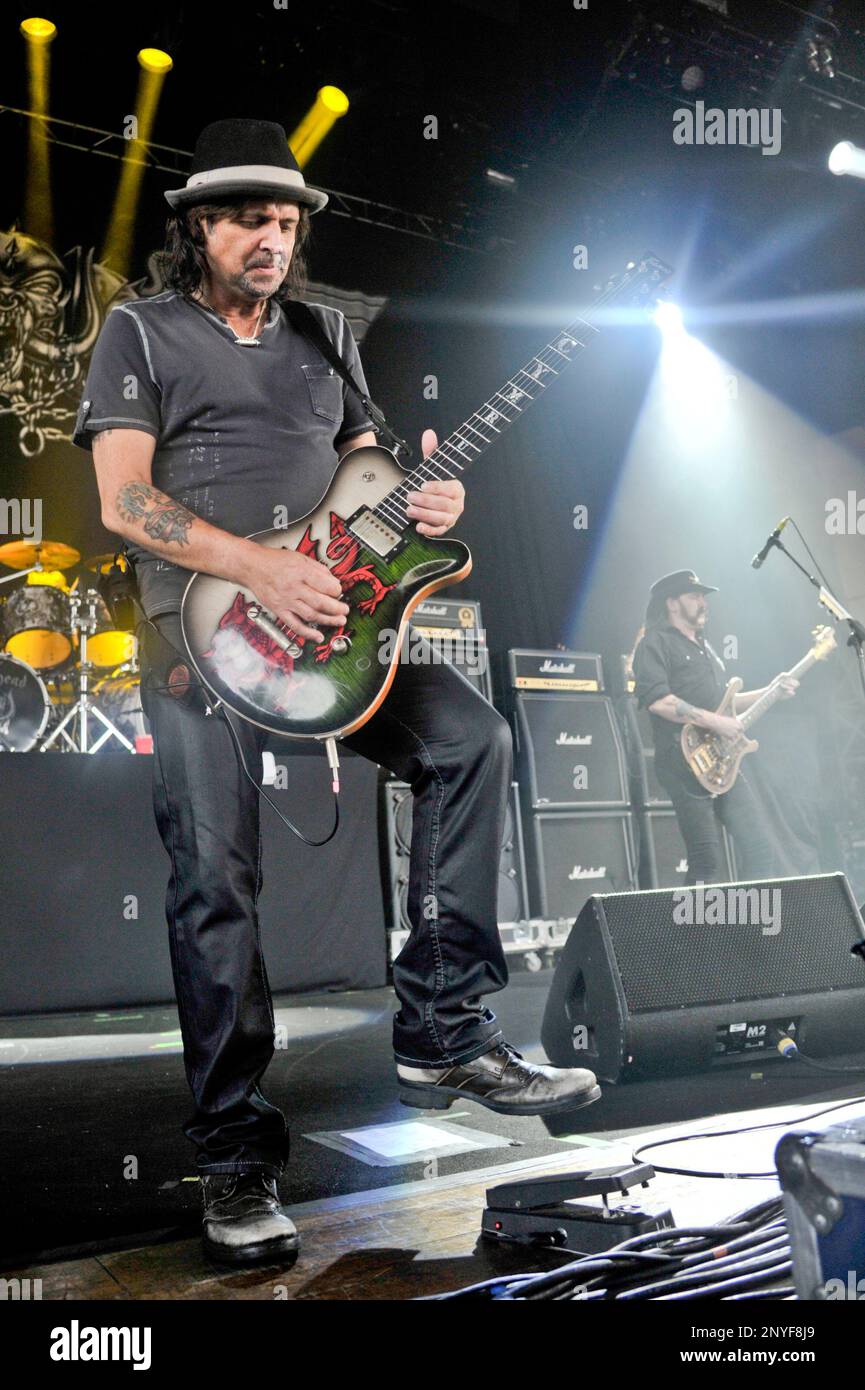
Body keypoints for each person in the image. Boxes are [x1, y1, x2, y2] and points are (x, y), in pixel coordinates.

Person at [72, 119, 599, 1268]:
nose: (272, 235)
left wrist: (430, 506)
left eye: (286, 217)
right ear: (197, 227)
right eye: (247, 216)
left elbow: (374, 472)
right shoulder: (140, 329)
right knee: (216, 877)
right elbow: (122, 500)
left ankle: (444, 1029)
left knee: (469, 739)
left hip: (342, 615)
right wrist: (259, 565)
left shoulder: (327, 333)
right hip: (200, 628)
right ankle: (234, 1158)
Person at [631, 569, 797, 886]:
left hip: (722, 761)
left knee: (760, 848)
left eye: (704, 597)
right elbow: (659, 701)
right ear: (672, 603)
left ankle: (751, 930)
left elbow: (726, 704)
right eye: (694, 596)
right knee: (706, 860)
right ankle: (696, 935)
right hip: (682, 760)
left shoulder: (706, 649)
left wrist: (771, 690)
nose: (703, 603)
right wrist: (718, 722)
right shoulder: (654, 643)